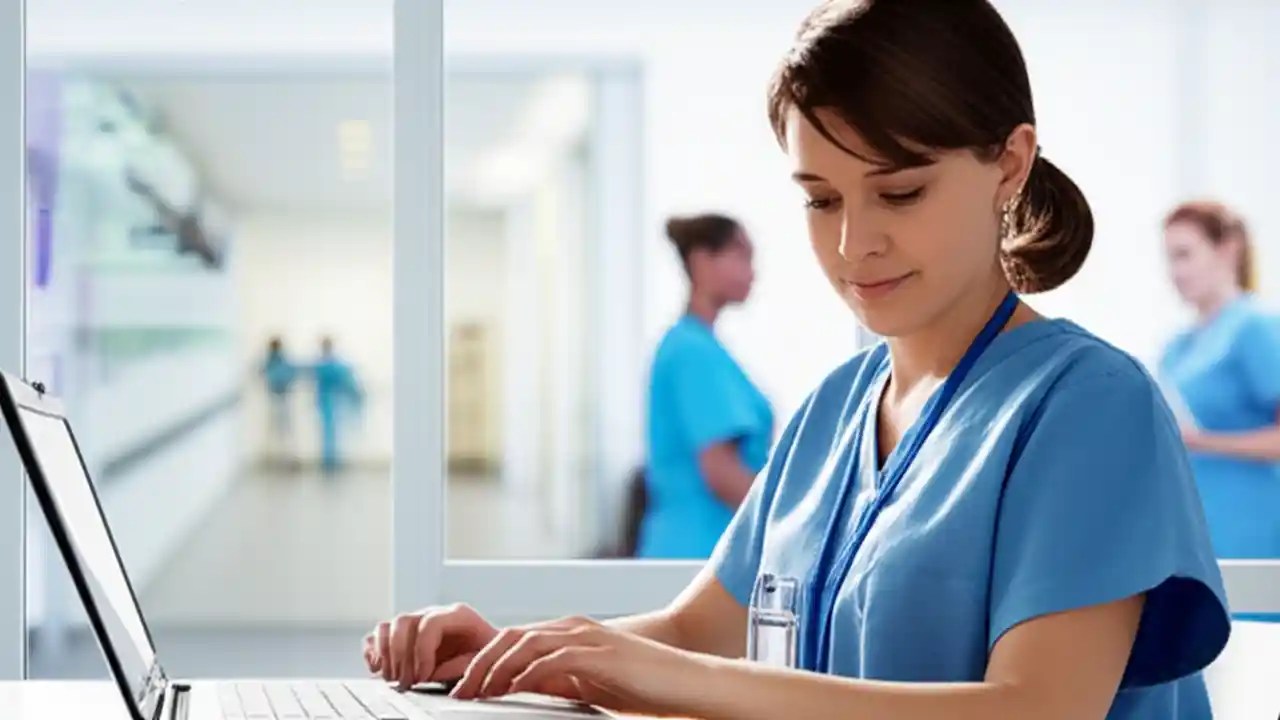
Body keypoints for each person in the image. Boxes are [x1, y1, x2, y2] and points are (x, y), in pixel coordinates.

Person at [362, 2, 1229, 717]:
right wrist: (520, 653)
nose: (855, 244)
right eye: (820, 200)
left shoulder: (1091, 406)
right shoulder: (835, 407)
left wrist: (660, 678)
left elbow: (1034, 709)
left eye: (900, 191)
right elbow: (698, 630)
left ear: (1010, 162)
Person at [1159, 201, 1280, 621]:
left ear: (1228, 249)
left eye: (1184, 254)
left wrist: (1199, 440)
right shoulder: (1177, 349)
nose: (1175, 271)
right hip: (1195, 537)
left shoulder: (1256, 329)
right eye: (1168, 258)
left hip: (1250, 530)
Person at [639, 214, 774, 559]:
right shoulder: (692, 351)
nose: (752, 271)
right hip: (696, 550)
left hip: (697, 547)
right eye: (741, 255)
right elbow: (722, 473)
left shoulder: (697, 346)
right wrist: (796, 523)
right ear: (701, 261)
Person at [313, 336, 363, 475]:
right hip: (329, 402)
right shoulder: (329, 365)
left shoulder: (327, 364)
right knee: (330, 433)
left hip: (330, 402)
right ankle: (329, 462)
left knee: (331, 433)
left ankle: (330, 462)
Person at [261, 336, 299, 470]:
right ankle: (283, 460)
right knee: (283, 429)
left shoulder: (273, 361)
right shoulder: (274, 361)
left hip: (279, 397)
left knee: (280, 429)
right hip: (280, 397)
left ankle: (281, 460)